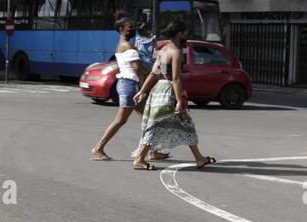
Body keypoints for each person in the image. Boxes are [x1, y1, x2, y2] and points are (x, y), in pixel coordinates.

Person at [131, 19, 217, 171]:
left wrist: (142, 91)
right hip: (169, 92)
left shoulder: (163, 49)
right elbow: (176, 78)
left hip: (159, 90)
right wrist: (178, 100)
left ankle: (199, 158)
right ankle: (139, 159)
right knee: (158, 126)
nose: (186, 35)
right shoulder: (176, 52)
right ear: (179, 33)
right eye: (185, 32)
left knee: (184, 124)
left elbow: (154, 73)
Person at [91, 17, 149, 160]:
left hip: (128, 84)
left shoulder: (123, 44)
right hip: (129, 85)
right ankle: (98, 148)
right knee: (121, 120)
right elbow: (138, 69)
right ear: (121, 29)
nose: (133, 29)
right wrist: (153, 71)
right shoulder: (127, 46)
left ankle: (151, 150)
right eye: (129, 27)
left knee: (146, 119)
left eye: (133, 26)